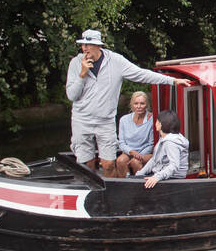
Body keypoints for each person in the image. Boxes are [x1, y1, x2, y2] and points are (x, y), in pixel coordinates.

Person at [66, 29, 176, 177]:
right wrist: (82, 74)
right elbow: (72, 95)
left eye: (89, 44)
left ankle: (111, 194)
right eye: (83, 44)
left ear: (99, 46)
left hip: (105, 121)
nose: (84, 48)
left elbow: (141, 74)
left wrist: (172, 81)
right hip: (81, 120)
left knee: (109, 164)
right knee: (87, 164)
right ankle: (91, 192)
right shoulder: (75, 63)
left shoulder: (115, 61)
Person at [132, 110, 189, 189]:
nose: (155, 123)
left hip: (172, 179)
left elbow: (174, 165)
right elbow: (154, 160)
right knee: (133, 180)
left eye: (157, 121)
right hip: (162, 174)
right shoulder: (163, 138)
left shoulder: (170, 143)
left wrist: (157, 177)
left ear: (161, 124)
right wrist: (140, 174)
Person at [114, 91, 155, 177]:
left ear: (147, 105)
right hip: (129, 151)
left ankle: (140, 186)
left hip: (145, 153)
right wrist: (132, 152)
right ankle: (125, 184)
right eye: (136, 103)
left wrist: (138, 155)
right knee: (120, 161)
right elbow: (121, 143)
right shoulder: (124, 120)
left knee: (135, 162)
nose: (139, 106)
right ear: (132, 104)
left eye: (142, 103)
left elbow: (151, 144)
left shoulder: (152, 119)